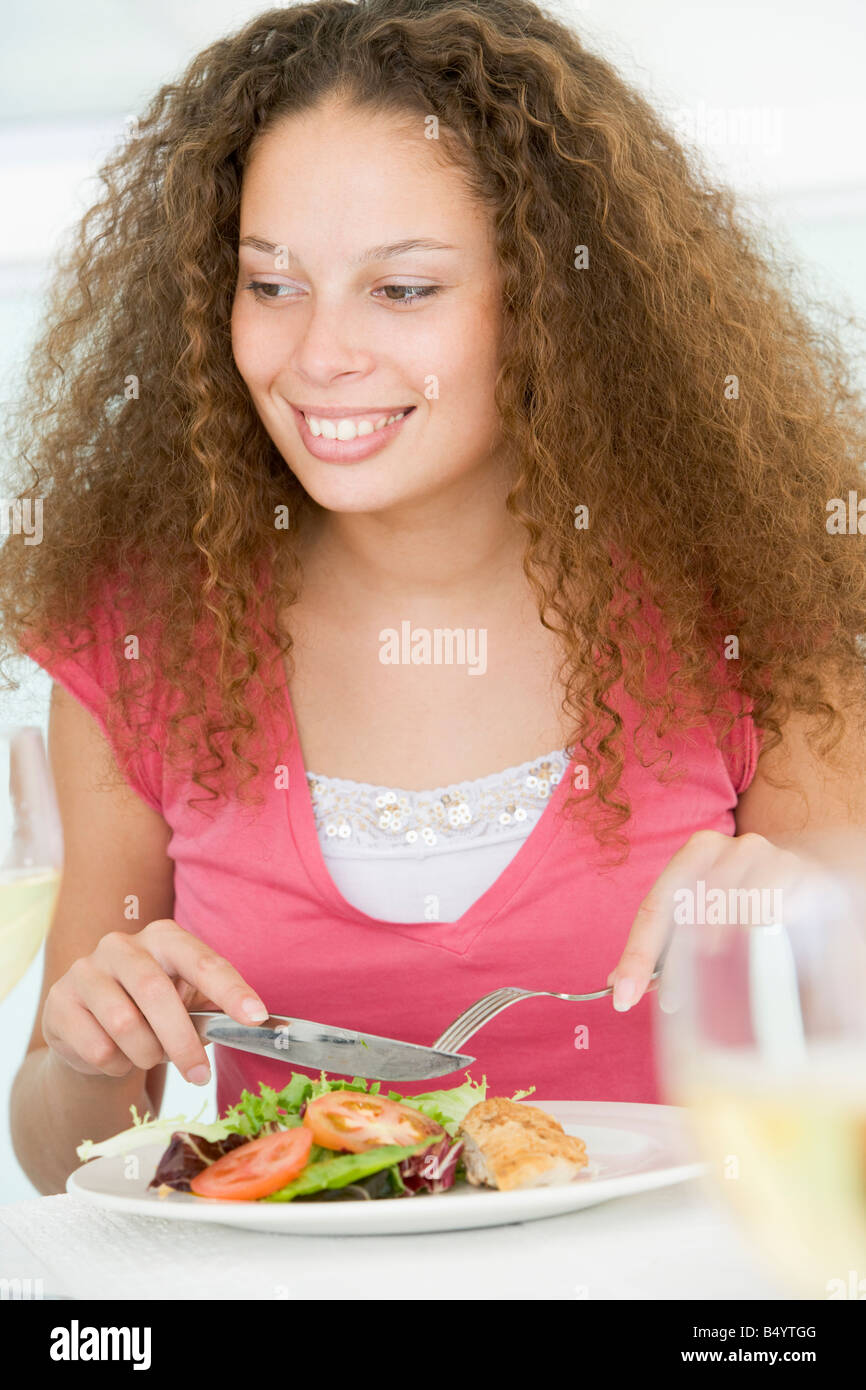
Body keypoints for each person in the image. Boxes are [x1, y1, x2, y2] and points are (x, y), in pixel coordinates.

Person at [6, 0, 866, 1193]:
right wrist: (85, 1055)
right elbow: (61, 1158)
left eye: (402, 289)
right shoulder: (141, 639)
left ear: (551, 300)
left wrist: (817, 929)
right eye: (271, 284)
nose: (318, 356)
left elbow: (842, 1092)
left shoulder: (759, 602)